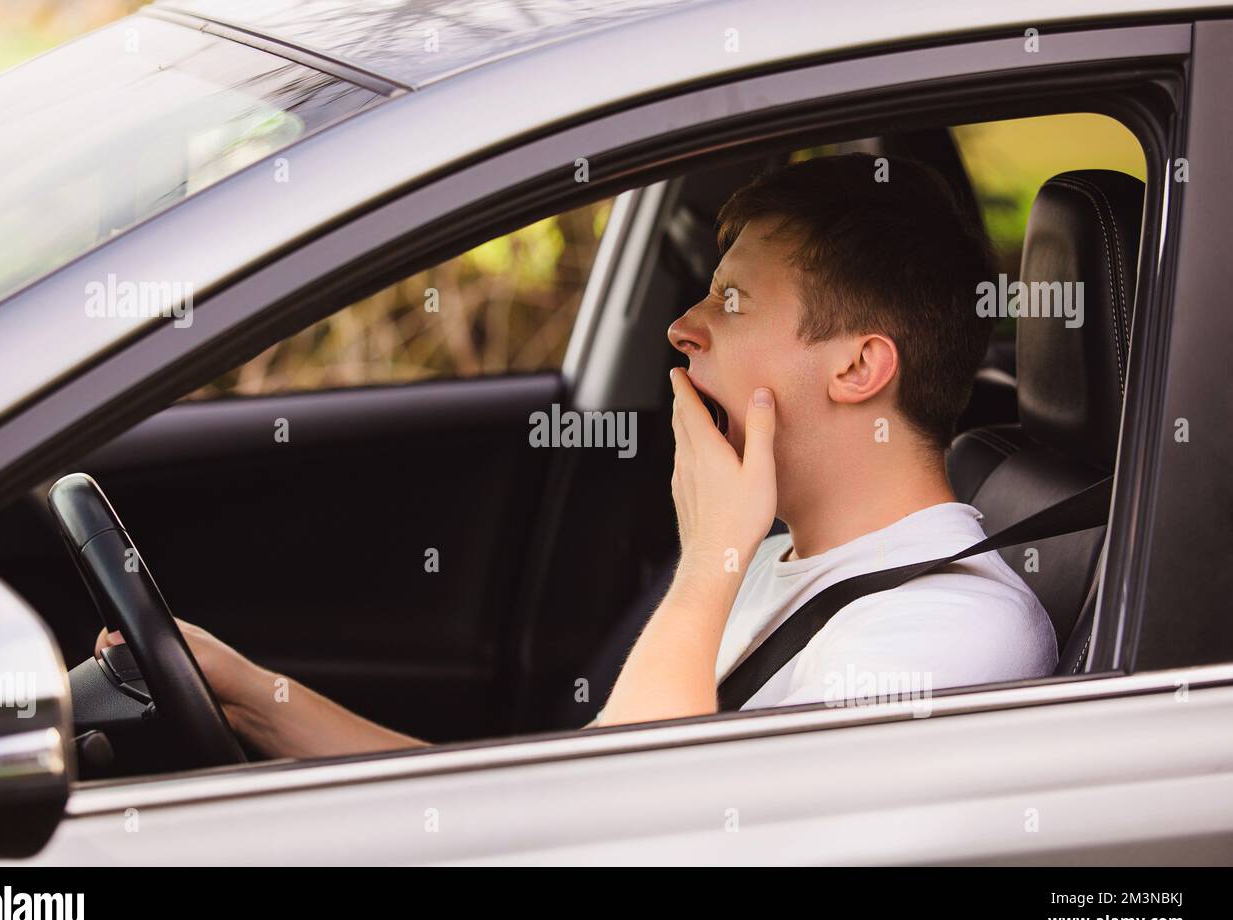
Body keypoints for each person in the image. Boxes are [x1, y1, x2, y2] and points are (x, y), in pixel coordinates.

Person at [96, 153, 1056, 757]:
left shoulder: (943, 639)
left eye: (731, 303)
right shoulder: (780, 563)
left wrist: (708, 563)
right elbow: (546, 802)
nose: (681, 329)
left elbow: (629, 836)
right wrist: (254, 697)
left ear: (858, 366)